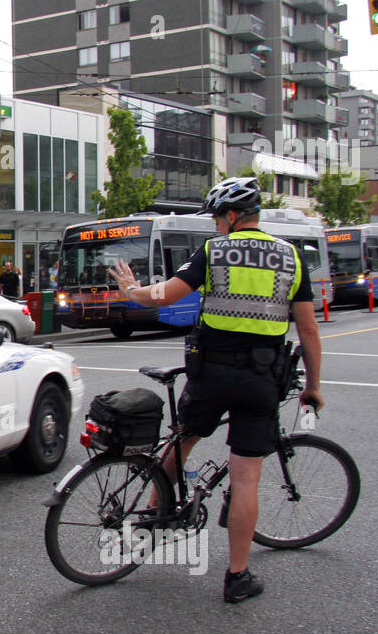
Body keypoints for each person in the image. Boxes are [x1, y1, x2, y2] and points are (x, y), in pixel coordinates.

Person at [108, 175, 323, 604]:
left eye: (217, 219)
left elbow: (165, 296)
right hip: (262, 379)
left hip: (212, 374)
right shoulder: (291, 257)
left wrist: (131, 290)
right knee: (245, 479)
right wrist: (313, 388)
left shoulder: (213, 251)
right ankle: (237, 577)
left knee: (182, 441)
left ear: (230, 215)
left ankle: (157, 512)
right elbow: (309, 329)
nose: (215, 226)